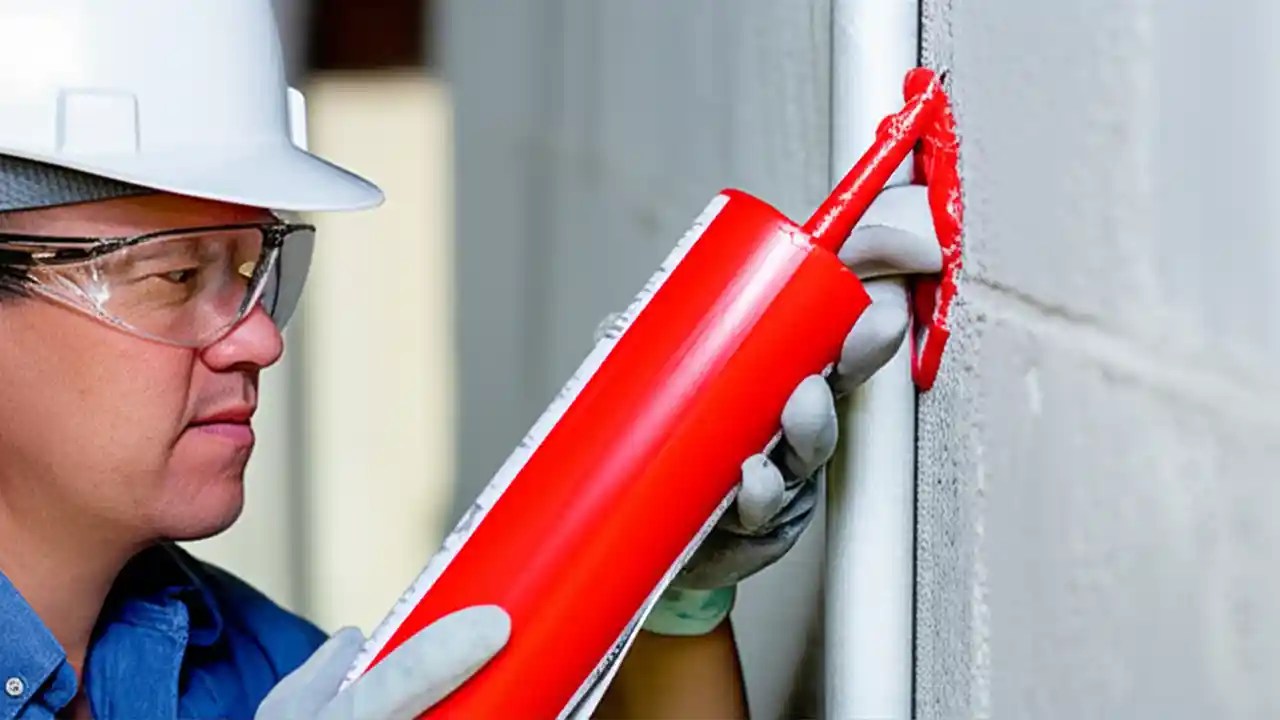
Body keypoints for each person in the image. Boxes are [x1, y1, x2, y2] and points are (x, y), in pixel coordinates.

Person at [0, 2, 943, 719]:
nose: (259, 337)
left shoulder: (246, 663)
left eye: (250, 269)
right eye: (172, 277)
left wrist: (662, 608)